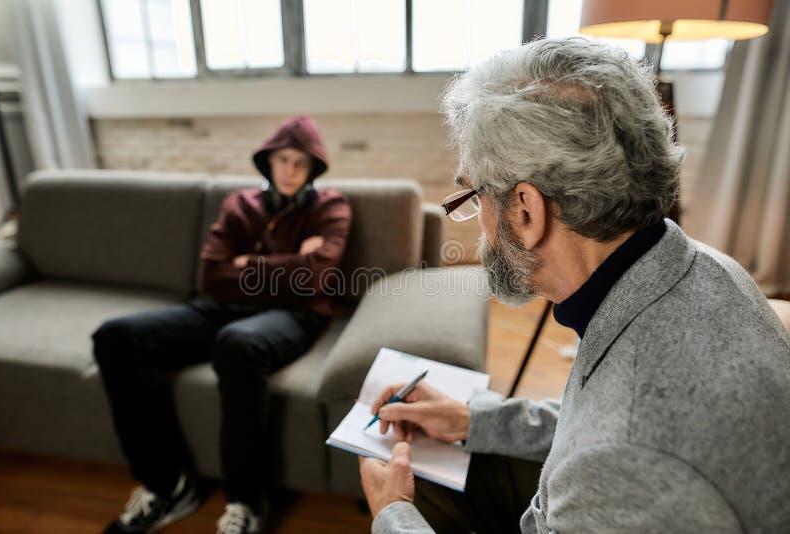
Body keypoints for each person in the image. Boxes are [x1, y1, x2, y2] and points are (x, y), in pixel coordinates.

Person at [359, 38, 790, 533]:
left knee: (405, 486)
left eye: (475, 196)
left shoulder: (623, 461)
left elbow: (614, 438)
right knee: (429, 457)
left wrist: (392, 516)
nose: (479, 227)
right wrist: (473, 420)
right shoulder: (705, 269)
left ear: (525, 210)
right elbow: (598, 413)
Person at [93, 116, 352, 534]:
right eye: (282, 159)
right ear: (267, 161)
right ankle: (167, 485)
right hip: (221, 305)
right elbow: (211, 277)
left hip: (297, 314)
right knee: (116, 337)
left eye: (301, 163)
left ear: (314, 169)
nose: (290, 170)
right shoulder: (239, 204)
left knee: (238, 344)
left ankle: (246, 501)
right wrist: (292, 264)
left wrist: (247, 264)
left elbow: (316, 279)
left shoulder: (332, 207)